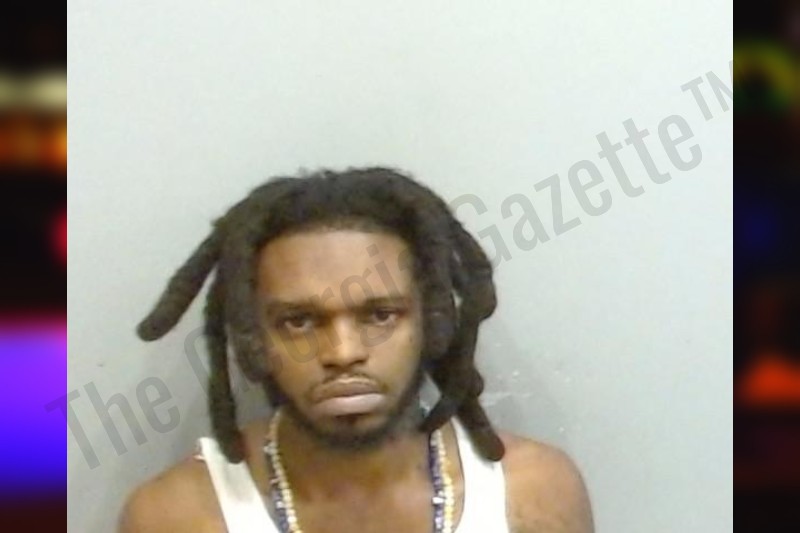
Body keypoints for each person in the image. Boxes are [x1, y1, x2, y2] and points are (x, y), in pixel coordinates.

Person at [119, 168, 593, 532]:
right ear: (252, 336)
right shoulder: (176, 516)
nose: (343, 352)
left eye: (380, 315)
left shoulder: (533, 495)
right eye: (299, 321)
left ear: (432, 321)